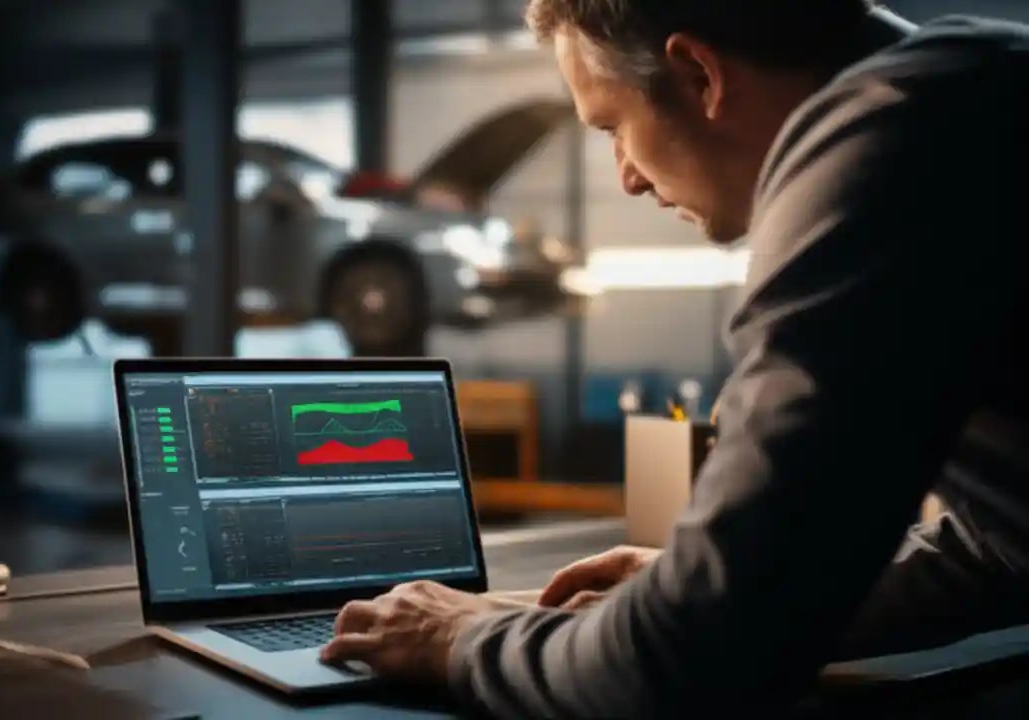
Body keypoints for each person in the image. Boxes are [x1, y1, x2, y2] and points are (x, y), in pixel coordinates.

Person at [322, 1, 1029, 716]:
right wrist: (722, 586)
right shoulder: (979, 81)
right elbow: (1007, 546)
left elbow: (689, 662)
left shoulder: (881, 150)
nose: (625, 175)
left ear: (697, 74)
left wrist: (466, 636)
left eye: (611, 127)